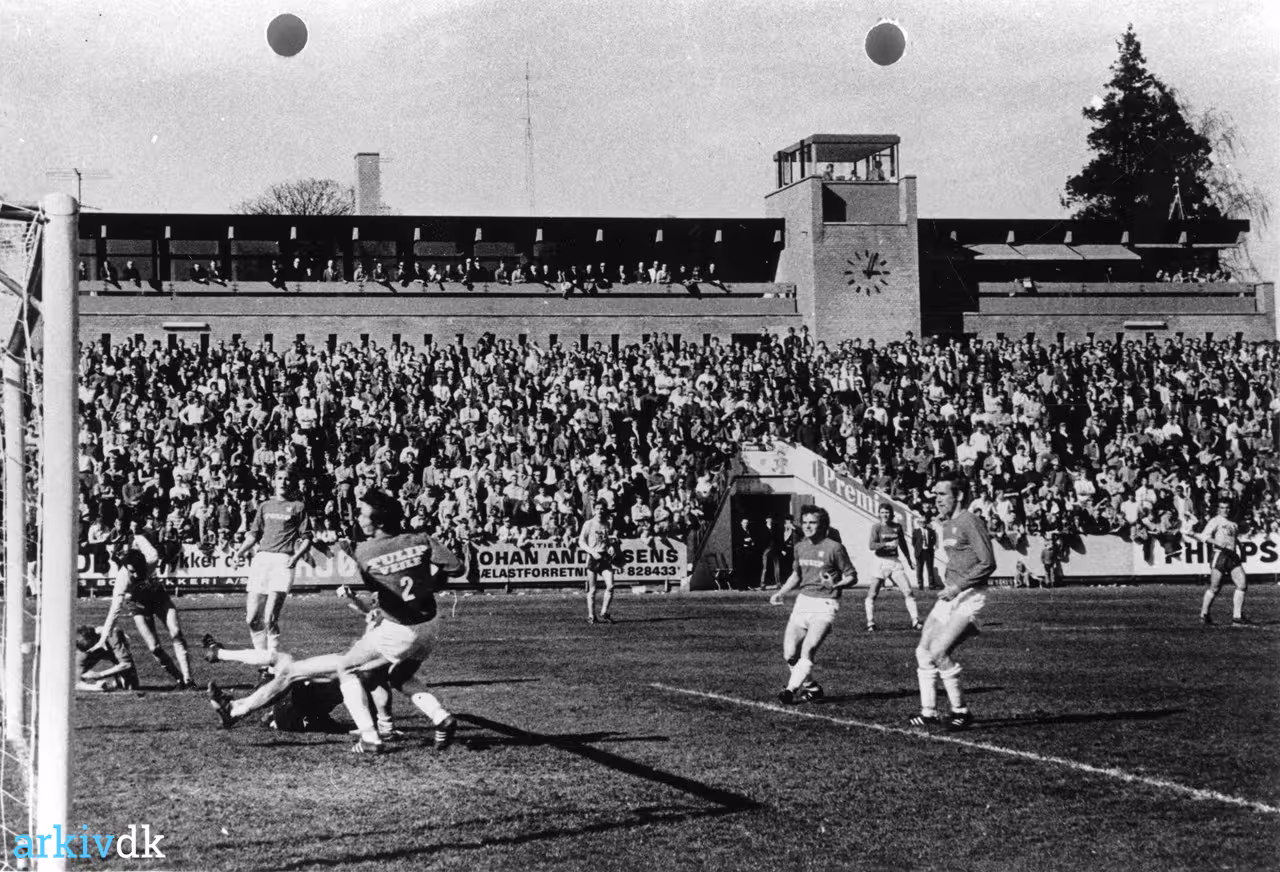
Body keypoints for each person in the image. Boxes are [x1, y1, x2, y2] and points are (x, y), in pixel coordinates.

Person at [210, 488, 468, 754]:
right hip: (430, 624)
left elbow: (378, 591)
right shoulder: (421, 538)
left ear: (377, 521)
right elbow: (457, 568)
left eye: (363, 514)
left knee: (346, 668)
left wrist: (353, 556)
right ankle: (440, 717)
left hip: (399, 629)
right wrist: (427, 585)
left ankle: (370, 737)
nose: (359, 519)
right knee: (400, 676)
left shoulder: (366, 552)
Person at [910, 475, 996, 731]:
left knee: (939, 651)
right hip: (951, 595)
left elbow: (988, 563)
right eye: (935, 495)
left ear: (958, 496)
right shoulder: (947, 524)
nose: (937, 500)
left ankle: (960, 711)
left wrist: (958, 587)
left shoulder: (971, 521)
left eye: (942, 494)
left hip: (970, 596)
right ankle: (928, 712)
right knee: (923, 651)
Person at [768, 505, 857, 704]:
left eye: (813, 522)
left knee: (808, 650)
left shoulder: (834, 547)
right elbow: (797, 575)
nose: (808, 526)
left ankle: (790, 690)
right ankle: (811, 687)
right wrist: (780, 592)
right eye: (805, 522)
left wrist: (836, 583)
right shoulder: (800, 546)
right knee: (790, 654)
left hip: (825, 604)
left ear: (822, 524)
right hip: (803, 602)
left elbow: (852, 576)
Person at [233, 468, 312, 665]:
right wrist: (239, 552)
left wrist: (296, 557)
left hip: (283, 562)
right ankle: (263, 661)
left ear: (290, 483)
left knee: (269, 618)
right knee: (251, 619)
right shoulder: (265, 506)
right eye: (279, 478)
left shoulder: (298, 507)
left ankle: (272, 662)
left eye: (286, 479)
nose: (283, 482)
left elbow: (307, 539)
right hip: (262, 560)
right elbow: (253, 535)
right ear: (274, 482)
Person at [91, 546, 194, 689]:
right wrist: (103, 639)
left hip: (158, 598)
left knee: (176, 632)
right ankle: (179, 679)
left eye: (136, 571)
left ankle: (188, 679)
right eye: (130, 571)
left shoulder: (151, 561)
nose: (133, 574)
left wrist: (139, 535)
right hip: (138, 605)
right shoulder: (122, 578)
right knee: (154, 648)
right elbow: (114, 610)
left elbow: (154, 552)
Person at [864, 503, 922, 631]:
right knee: (873, 594)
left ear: (892, 514)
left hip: (894, 562)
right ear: (879, 514)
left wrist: (909, 560)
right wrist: (886, 543)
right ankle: (870, 622)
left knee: (908, 591)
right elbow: (871, 545)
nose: (885, 515)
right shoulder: (877, 527)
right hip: (880, 562)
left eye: (887, 512)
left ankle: (915, 620)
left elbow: (902, 545)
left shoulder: (897, 527)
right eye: (882, 512)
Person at [1194, 498, 1250, 626]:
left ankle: (1237, 617)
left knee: (1242, 584)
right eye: (1222, 507)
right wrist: (1217, 542)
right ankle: (1204, 614)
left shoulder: (1233, 522)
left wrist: (1239, 548)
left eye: (1227, 507)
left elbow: (1233, 539)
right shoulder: (1215, 520)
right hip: (1220, 555)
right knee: (1215, 587)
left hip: (1232, 556)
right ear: (1218, 509)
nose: (1225, 510)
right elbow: (1203, 536)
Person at [579, 502, 621, 623]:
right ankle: (592, 615)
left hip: (604, 557)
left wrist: (611, 546)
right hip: (593, 557)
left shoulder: (607, 523)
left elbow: (606, 540)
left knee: (611, 585)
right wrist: (592, 552)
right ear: (594, 510)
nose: (600, 511)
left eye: (602, 509)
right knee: (592, 589)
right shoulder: (589, 524)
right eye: (597, 509)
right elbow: (581, 542)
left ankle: (604, 612)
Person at [76, 624, 139, 692]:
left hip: (113, 650)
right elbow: (76, 681)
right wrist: (94, 687)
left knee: (131, 686)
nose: (88, 650)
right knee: (77, 675)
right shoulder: (83, 648)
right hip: (98, 649)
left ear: (94, 638)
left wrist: (101, 674)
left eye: (89, 646)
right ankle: (117, 677)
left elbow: (126, 664)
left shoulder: (113, 635)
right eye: (85, 649)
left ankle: (118, 677)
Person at [912, 507, 940, 589]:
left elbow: (934, 540)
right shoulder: (916, 531)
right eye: (921, 522)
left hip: (929, 551)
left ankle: (931, 585)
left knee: (930, 569)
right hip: (920, 552)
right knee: (919, 569)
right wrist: (918, 549)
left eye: (924, 522)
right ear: (918, 523)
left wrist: (932, 547)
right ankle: (920, 585)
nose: (923, 523)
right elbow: (914, 542)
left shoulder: (930, 531)